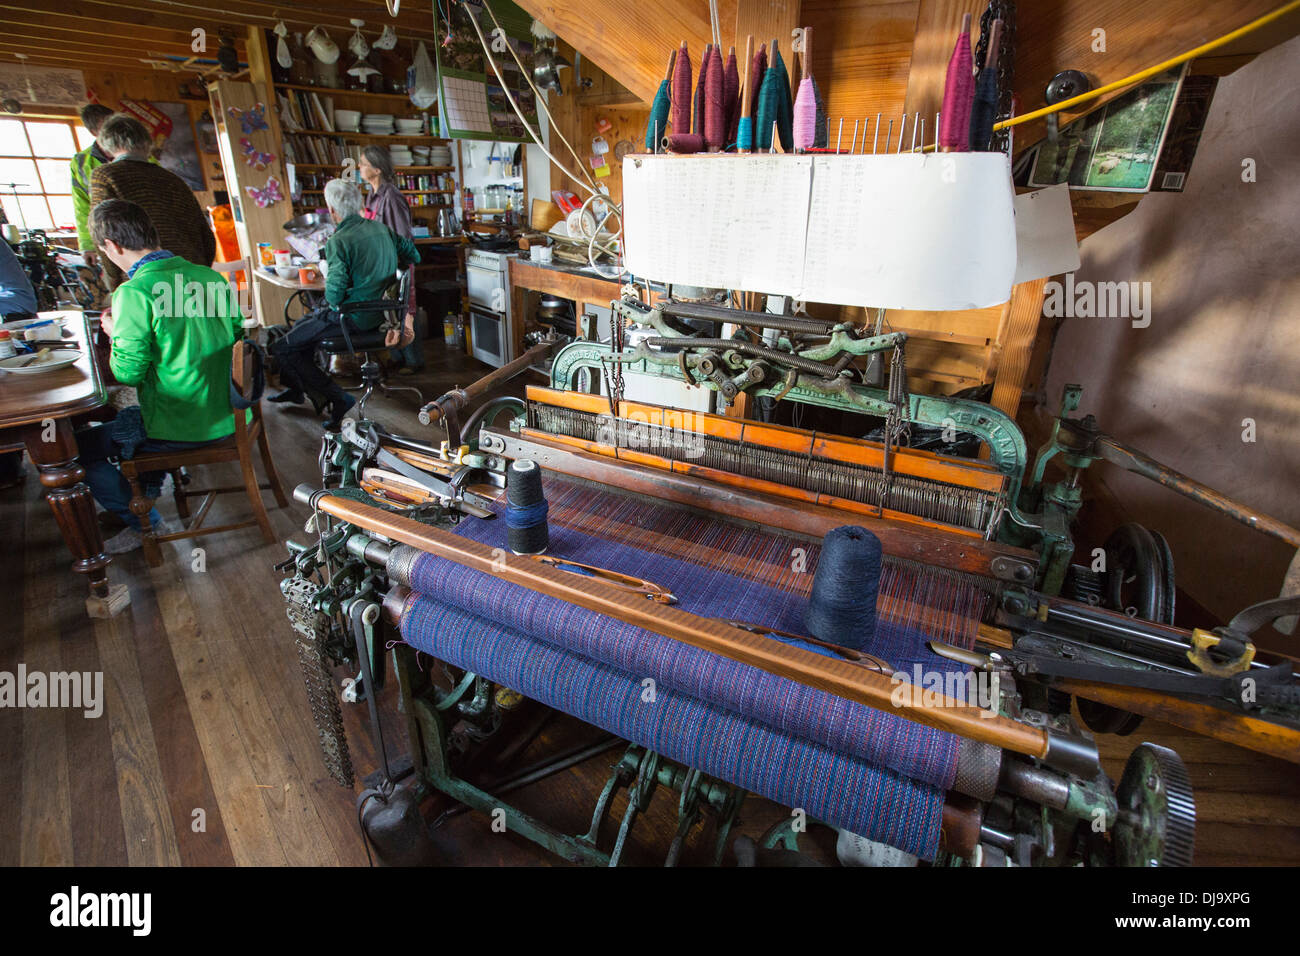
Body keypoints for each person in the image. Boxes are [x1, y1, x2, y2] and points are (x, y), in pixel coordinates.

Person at [74, 199, 246, 554]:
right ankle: (136, 499)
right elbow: (235, 337)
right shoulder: (209, 277)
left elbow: (128, 373)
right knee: (125, 426)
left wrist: (113, 333)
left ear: (113, 246)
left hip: (181, 427)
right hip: (230, 414)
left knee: (78, 451)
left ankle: (143, 521)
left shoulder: (134, 293)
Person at [270, 178, 419, 428]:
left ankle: (339, 398)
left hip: (353, 318)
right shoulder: (382, 229)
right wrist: (383, 271)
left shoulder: (339, 240)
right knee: (298, 332)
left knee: (282, 347)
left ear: (332, 210)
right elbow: (413, 255)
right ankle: (296, 390)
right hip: (381, 315)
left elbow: (334, 296)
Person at [89, 113, 216, 291]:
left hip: (144, 280)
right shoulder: (172, 179)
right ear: (146, 142)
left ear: (107, 145)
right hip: (190, 273)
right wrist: (201, 269)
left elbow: (103, 236)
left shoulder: (105, 176)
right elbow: (205, 234)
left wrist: (114, 282)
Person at [358, 146, 420, 374]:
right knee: (389, 312)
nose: (360, 168)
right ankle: (397, 356)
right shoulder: (372, 196)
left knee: (404, 310)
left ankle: (414, 361)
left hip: (397, 262)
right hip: (380, 263)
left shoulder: (392, 197)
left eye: (363, 163)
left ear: (376, 169)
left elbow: (403, 235)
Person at [70, 103, 115, 270]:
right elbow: (81, 206)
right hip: (108, 235)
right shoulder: (81, 163)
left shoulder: (140, 153)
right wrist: (87, 245)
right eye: (107, 127)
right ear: (94, 132)